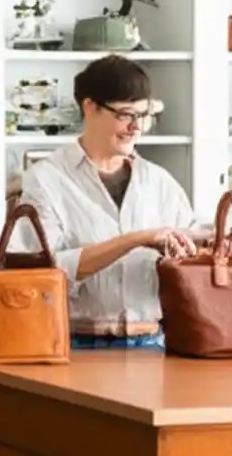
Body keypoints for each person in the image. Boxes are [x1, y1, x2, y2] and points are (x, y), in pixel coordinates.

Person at [11, 55, 199, 349]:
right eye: (125, 114)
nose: (136, 127)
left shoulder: (158, 181)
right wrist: (136, 240)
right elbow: (42, 272)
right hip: (76, 343)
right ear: (90, 107)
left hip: (154, 342)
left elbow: (190, 246)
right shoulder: (46, 180)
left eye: (143, 115)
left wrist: (209, 239)